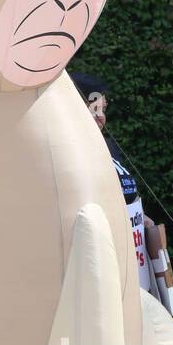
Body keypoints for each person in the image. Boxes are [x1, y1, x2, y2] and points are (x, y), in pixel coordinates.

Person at [69, 71, 154, 290]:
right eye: (93, 108)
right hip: (105, 258)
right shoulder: (72, 150)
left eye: (103, 109)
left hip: (133, 256)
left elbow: (125, 189)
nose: (101, 116)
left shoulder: (108, 146)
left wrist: (141, 216)